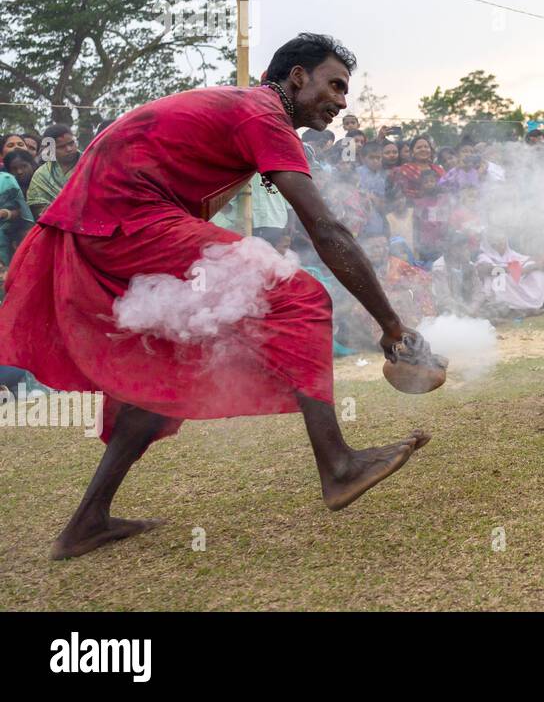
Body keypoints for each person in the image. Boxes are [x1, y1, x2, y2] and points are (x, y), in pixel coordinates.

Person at [0, 33, 440, 560]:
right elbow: (327, 230)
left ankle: (86, 523)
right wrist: (392, 326)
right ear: (297, 77)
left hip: (103, 221)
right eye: (335, 85)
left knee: (166, 356)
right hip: (122, 218)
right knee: (302, 297)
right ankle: (339, 465)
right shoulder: (263, 114)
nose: (343, 101)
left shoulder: (249, 111)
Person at [25, 124, 80, 218]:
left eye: (71, 143)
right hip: (54, 226)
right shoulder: (41, 175)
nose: (69, 149)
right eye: (61, 147)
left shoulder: (90, 164)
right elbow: (38, 207)